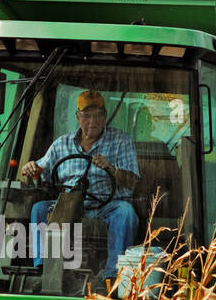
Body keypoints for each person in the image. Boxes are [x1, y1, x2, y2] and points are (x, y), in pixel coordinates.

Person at [21, 89, 140, 279]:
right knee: (40, 209)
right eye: (87, 116)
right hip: (69, 205)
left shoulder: (121, 141)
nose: (92, 121)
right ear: (78, 117)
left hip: (108, 206)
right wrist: (31, 169)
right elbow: (40, 171)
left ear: (105, 116)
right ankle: (44, 269)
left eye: (97, 115)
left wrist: (111, 168)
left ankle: (114, 275)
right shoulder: (61, 144)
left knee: (126, 212)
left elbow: (133, 181)